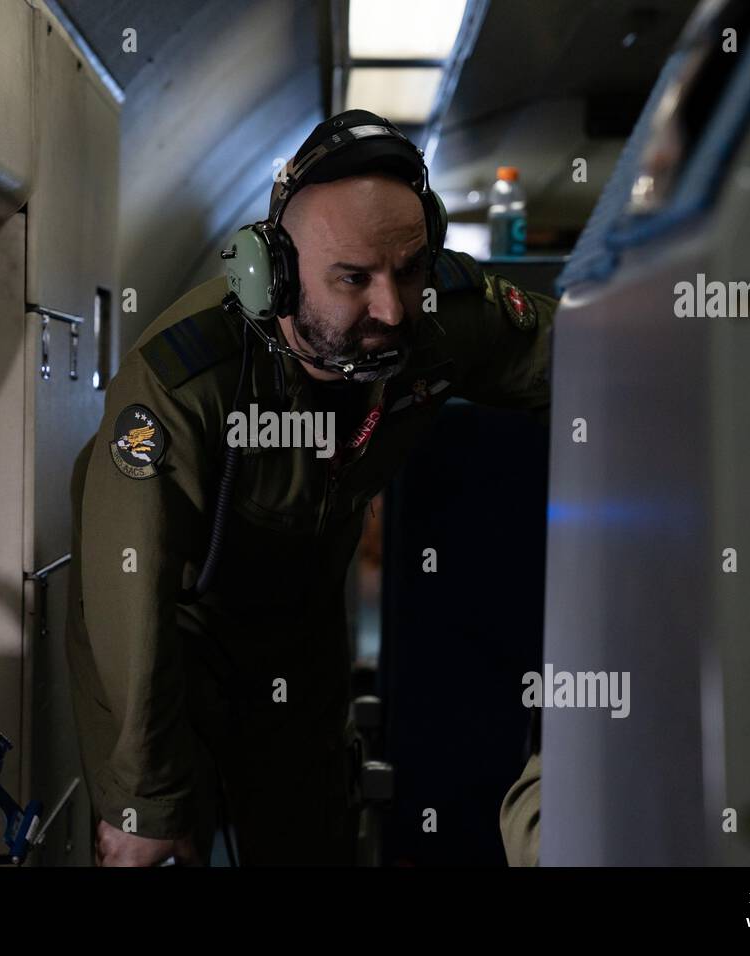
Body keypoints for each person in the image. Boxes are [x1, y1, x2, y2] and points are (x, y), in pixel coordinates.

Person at [64, 109, 554, 866]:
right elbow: (131, 603)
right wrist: (146, 800)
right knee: (157, 839)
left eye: (411, 268)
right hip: (170, 629)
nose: (391, 309)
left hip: (302, 620)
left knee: (311, 832)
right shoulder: (182, 383)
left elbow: (593, 360)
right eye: (354, 279)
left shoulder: (433, 316)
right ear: (274, 280)